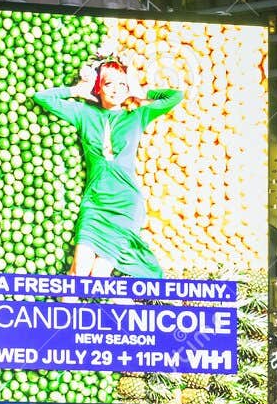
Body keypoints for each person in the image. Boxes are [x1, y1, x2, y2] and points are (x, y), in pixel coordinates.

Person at [33, 59, 184, 280]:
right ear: (99, 88)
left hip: (125, 205)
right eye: (109, 83)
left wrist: (139, 92)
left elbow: (175, 96)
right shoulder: (84, 114)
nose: (116, 89)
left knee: (99, 275)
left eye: (122, 85)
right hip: (95, 203)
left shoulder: (137, 117)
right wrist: (77, 90)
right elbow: (42, 97)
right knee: (78, 272)